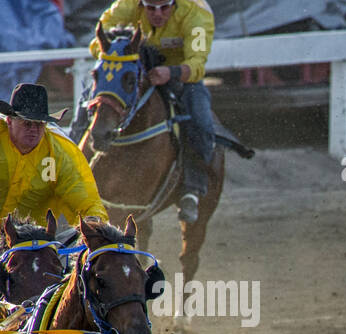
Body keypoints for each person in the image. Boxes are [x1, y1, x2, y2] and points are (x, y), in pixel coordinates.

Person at [87, 0, 216, 224]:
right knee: (88, 107)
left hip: (180, 78)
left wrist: (170, 72)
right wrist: (120, 57)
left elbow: (197, 64)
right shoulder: (124, 6)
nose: (157, 14)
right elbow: (97, 44)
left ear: (174, 4)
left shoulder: (197, 15)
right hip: (131, 71)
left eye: (164, 8)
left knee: (202, 122)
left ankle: (192, 187)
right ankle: (71, 171)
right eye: (151, 8)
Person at [0, 84, 108, 224]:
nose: (33, 129)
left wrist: (95, 221)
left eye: (39, 124)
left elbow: (84, 197)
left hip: (33, 239)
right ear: (9, 121)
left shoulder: (59, 153)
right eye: (27, 123)